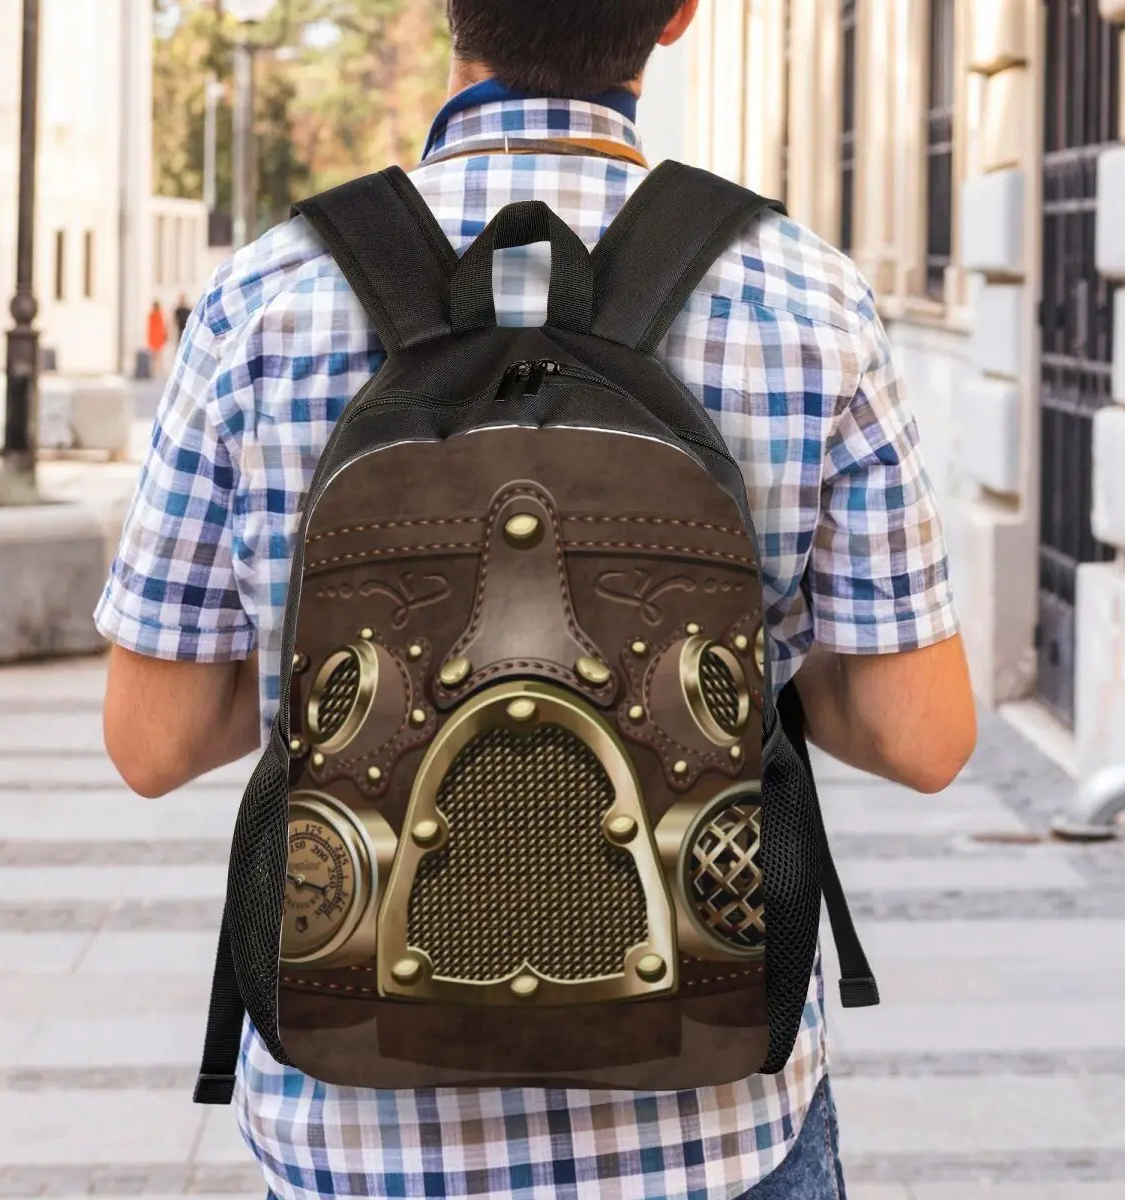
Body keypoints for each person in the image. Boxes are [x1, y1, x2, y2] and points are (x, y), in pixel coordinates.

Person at [96, 1, 978, 1196]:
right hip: (710, 1124)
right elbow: (920, 735)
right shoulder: (804, 295)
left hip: (359, 1132)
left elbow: (153, 741)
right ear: (677, 18)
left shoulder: (265, 298)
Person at [146, 299, 168, 376]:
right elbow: (162, 326)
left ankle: (154, 369)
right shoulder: (158, 314)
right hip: (158, 335)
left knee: (154, 354)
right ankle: (158, 369)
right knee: (158, 354)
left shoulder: (152, 314)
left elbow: (150, 326)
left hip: (154, 335)